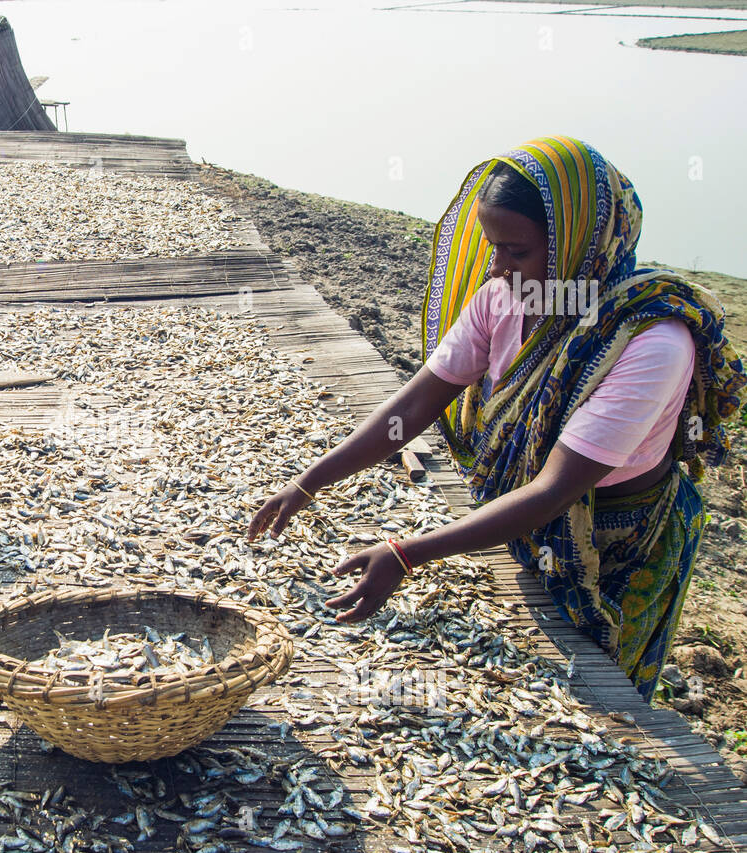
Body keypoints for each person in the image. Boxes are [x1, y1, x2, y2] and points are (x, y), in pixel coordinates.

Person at [249, 136, 745, 701]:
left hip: (615, 532)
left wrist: (405, 553)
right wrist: (308, 482)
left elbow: (556, 490)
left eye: (517, 251)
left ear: (578, 246)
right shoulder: (501, 298)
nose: (498, 267)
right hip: (520, 510)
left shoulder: (650, 341)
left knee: (596, 685)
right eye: (493, 247)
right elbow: (414, 406)